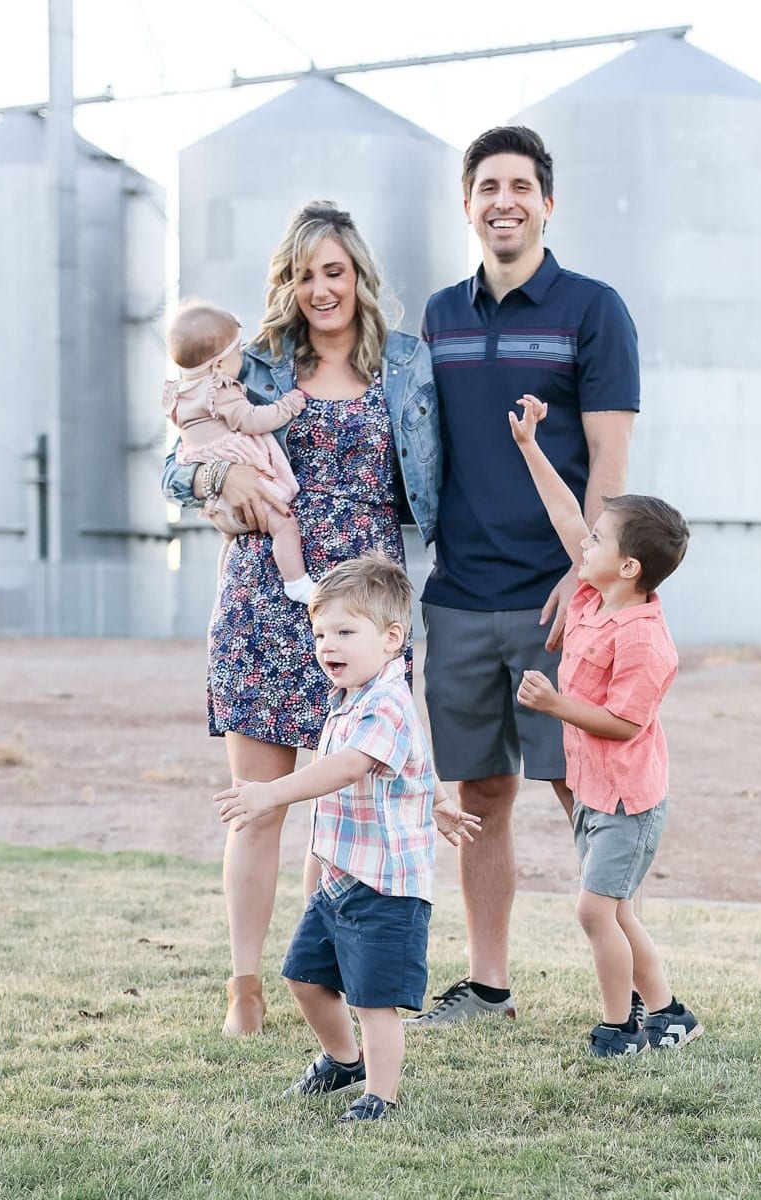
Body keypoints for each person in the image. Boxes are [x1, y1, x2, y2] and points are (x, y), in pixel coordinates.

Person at [160, 202, 441, 1036]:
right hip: (266, 596)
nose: (322, 289)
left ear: (358, 276)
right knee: (262, 801)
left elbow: (436, 473)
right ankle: (245, 984)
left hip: (365, 602)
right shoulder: (257, 364)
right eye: (305, 273)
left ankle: (335, 976)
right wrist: (217, 487)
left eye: (335, 271)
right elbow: (177, 464)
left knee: (348, 805)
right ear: (287, 282)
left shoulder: (406, 363)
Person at [409, 126, 639, 1026]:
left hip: (557, 596)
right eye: (486, 187)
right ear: (466, 205)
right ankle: (489, 986)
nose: (503, 200)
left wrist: (588, 577)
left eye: (520, 185)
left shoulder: (592, 308)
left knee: (583, 789)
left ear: (548, 202)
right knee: (482, 794)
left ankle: (642, 994)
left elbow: (611, 461)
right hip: (459, 594)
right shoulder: (437, 316)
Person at [215, 554, 479, 1120]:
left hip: (386, 888)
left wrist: (269, 792)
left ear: (391, 639)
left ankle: (379, 1095)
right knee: (304, 977)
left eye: (344, 632)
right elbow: (415, 760)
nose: (327, 645)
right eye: (319, 633)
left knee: (373, 1001)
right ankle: (343, 1059)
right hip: (341, 877)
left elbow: (349, 767)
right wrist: (437, 801)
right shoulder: (352, 697)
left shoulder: (386, 700)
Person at [509, 394, 701, 1055]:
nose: (582, 544)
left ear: (629, 567)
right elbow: (567, 514)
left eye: (597, 541)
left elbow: (623, 723)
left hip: (627, 800)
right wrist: (530, 445)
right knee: (615, 910)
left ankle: (619, 1027)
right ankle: (669, 1011)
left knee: (595, 910)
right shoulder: (595, 591)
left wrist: (555, 705)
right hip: (597, 792)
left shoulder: (646, 639)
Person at [163, 298, 312, 600]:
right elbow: (253, 420)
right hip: (240, 482)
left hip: (219, 504)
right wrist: (286, 406)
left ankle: (224, 592)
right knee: (284, 525)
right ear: (218, 364)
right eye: (237, 350)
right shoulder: (220, 391)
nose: (242, 357)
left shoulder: (180, 395)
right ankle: (297, 583)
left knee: (231, 543)